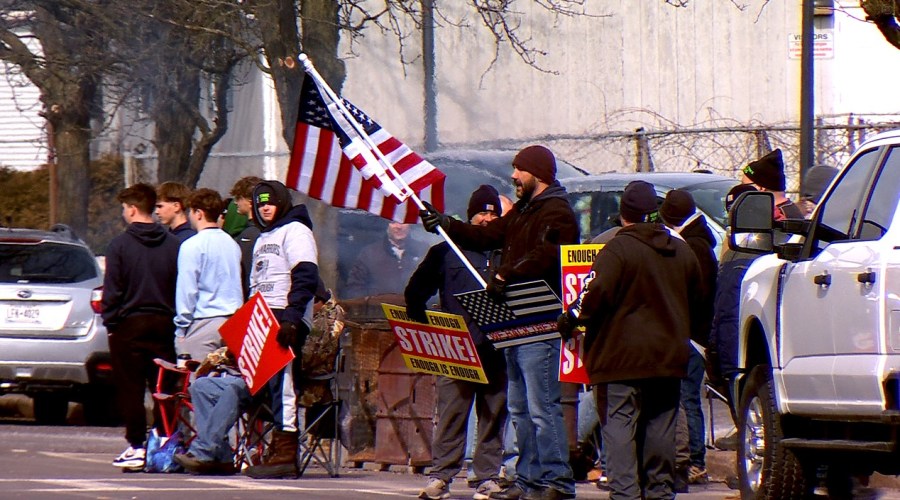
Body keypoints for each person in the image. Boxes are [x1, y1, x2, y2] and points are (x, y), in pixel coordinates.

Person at [421, 144, 579, 500]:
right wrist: (446, 224)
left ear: (536, 173)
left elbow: (550, 254)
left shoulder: (558, 212)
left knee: (542, 408)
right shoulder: (523, 210)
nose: (513, 176)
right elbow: (487, 235)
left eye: (518, 170)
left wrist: (508, 273)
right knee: (520, 409)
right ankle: (528, 480)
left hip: (539, 323)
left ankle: (557, 481)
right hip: (511, 323)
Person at [558, 180, 702, 499]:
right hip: (667, 358)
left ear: (624, 216)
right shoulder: (682, 250)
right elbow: (698, 299)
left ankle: (625, 494)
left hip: (619, 360)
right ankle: (659, 492)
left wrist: (568, 320)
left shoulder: (617, 250)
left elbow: (591, 298)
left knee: (619, 430)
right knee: (660, 429)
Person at [407, 185, 508, 500]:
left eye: (493, 213)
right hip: (457, 349)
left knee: (493, 416)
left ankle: (487, 477)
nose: (487, 219)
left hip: (497, 347)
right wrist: (421, 323)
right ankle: (441, 477)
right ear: (470, 215)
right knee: (451, 414)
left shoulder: (507, 252)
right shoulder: (445, 251)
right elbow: (415, 291)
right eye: (481, 212)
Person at [101, 183, 182, 470]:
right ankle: (163, 441)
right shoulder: (173, 245)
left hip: (129, 324)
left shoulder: (120, 245)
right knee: (163, 387)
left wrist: (110, 322)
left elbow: (113, 290)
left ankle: (136, 445)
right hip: (164, 323)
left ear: (133, 209)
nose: (123, 213)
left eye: (124, 209)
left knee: (131, 389)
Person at [245, 180, 320, 479]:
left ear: (282, 203)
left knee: (283, 380)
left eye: (270, 202)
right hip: (260, 316)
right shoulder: (264, 237)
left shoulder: (296, 230)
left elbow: (305, 275)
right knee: (263, 385)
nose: (265, 207)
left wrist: (291, 318)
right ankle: (270, 447)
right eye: (260, 203)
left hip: (284, 316)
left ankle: (287, 448)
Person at [658, 189, 718, 486]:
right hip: (694, 334)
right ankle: (693, 458)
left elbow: (697, 293)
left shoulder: (693, 247)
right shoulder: (699, 243)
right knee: (686, 397)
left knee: (687, 398)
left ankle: (695, 460)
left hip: (692, 335)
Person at [173, 188, 244, 362]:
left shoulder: (192, 246)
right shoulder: (232, 244)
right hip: (234, 321)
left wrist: (181, 328)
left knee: (199, 383)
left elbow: (187, 290)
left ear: (198, 213)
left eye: (191, 211)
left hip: (204, 321)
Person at [173, 347, 250, 475]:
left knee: (233, 389)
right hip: (243, 378)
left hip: (265, 386)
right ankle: (222, 457)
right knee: (200, 386)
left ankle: (204, 451)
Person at [345, 221, 426, 299]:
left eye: (403, 222)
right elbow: (354, 288)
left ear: (410, 225)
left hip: (416, 310)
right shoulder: (370, 253)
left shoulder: (424, 251)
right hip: (379, 310)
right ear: (387, 226)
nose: (398, 226)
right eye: (393, 222)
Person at [741, 149, 803, 220]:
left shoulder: (778, 218)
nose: (742, 190)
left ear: (760, 188)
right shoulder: (788, 210)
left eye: (745, 186)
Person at [229, 176, 263, 299]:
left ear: (249, 201)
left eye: (238, 198)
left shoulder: (252, 234)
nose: (235, 202)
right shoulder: (249, 231)